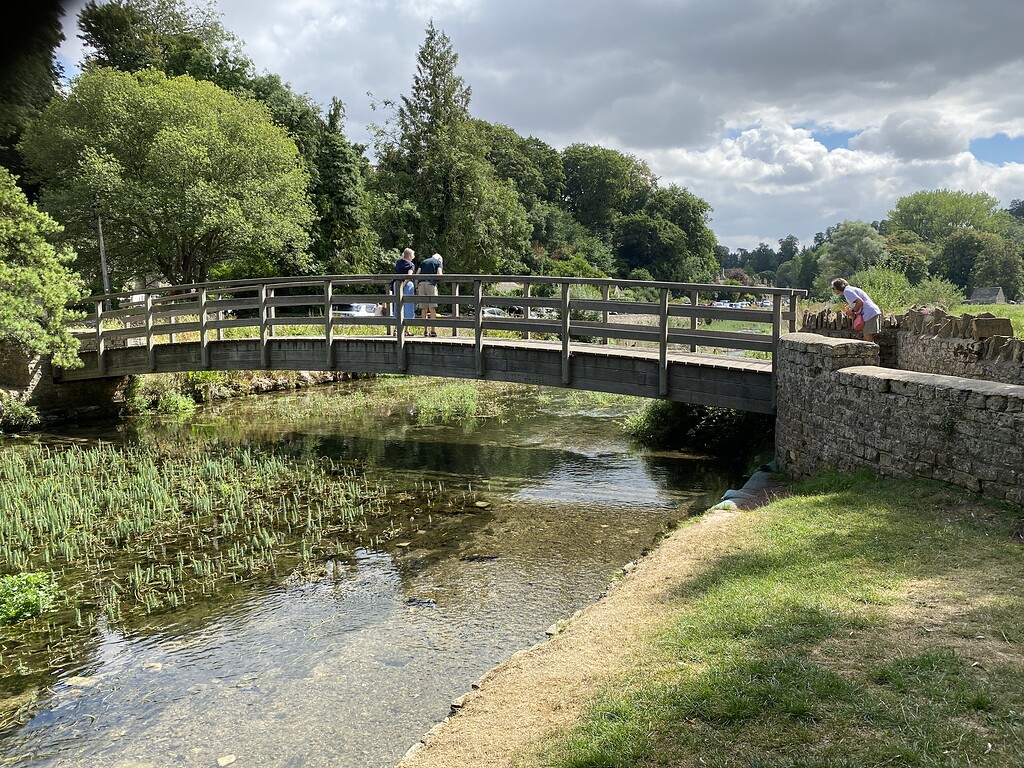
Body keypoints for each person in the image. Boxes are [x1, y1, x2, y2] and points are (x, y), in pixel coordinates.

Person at [832, 277, 881, 343]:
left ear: (838, 287)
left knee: (868, 338)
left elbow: (860, 302)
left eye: (833, 288)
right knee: (867, 337)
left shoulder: (847, 291)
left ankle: (871, 353)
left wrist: (851, 311)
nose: (833, 290)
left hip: (869, 313)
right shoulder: (849, 289)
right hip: (871, 312)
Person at [416, 252, 443, 337]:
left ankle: (425, 331)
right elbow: (439, 274)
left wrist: (417, 286)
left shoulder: (424, 262)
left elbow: (417, 274)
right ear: (439, 259)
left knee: (423, 308)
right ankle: (433, 331)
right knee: (432, 308)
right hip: (430, 284)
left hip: (421, 284)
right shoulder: (438, 263)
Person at [394, 248, 416, 334]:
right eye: (413, 255)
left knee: (397, 305)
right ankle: (406, 330)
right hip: (407, 285)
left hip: (396, 284)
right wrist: (404, 284)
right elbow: (409, 275)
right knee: (408, 306)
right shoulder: (411, 264)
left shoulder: (398, 262)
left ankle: (396, 329)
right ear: (410, 256)